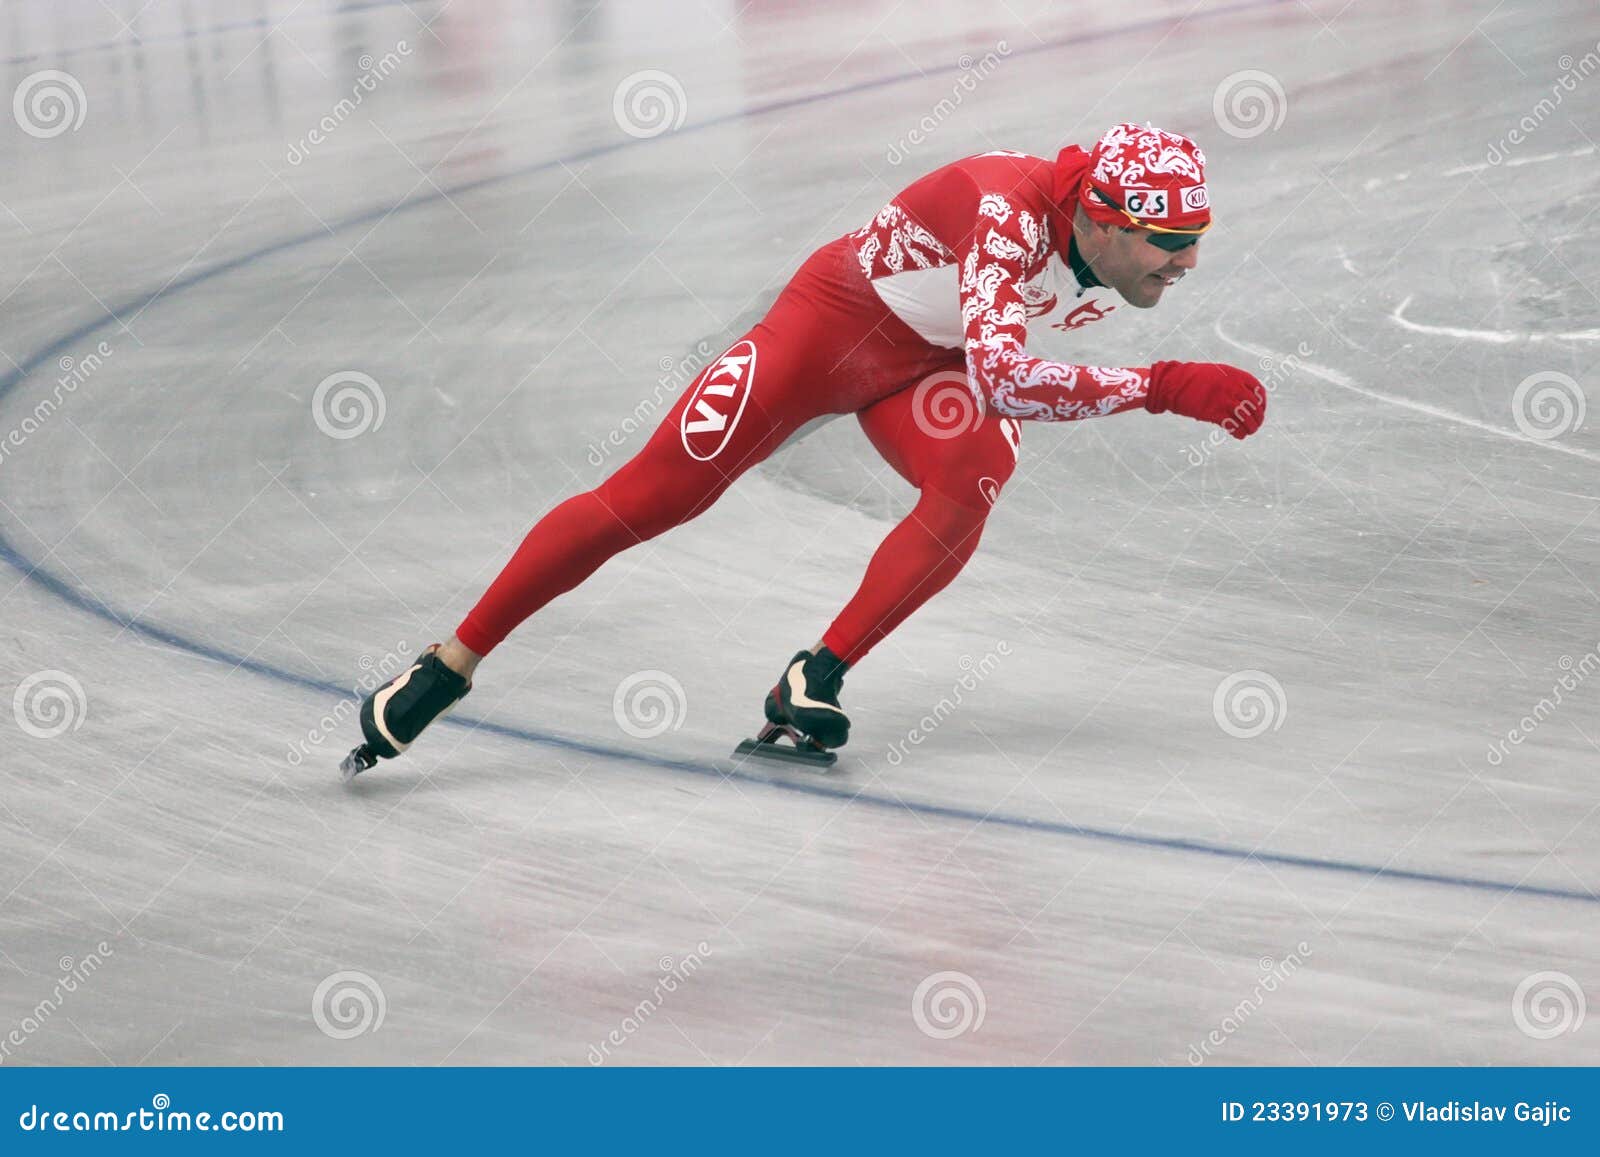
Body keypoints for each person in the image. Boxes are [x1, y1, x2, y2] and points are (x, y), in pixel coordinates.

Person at [340, 122, 1267, 777]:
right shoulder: (1011, 215)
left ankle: (813, 677)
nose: (1185, 264)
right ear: (1101, 220)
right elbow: (1009, 378)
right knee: (651, 498)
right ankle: (448, 662)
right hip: (827, 332)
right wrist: (1161, 386)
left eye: (1197, 241)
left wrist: (1154, 374)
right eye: (1170, 243)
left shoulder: (1106, 251)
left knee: (971, 478)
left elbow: (989, 369)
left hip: (922, 365)